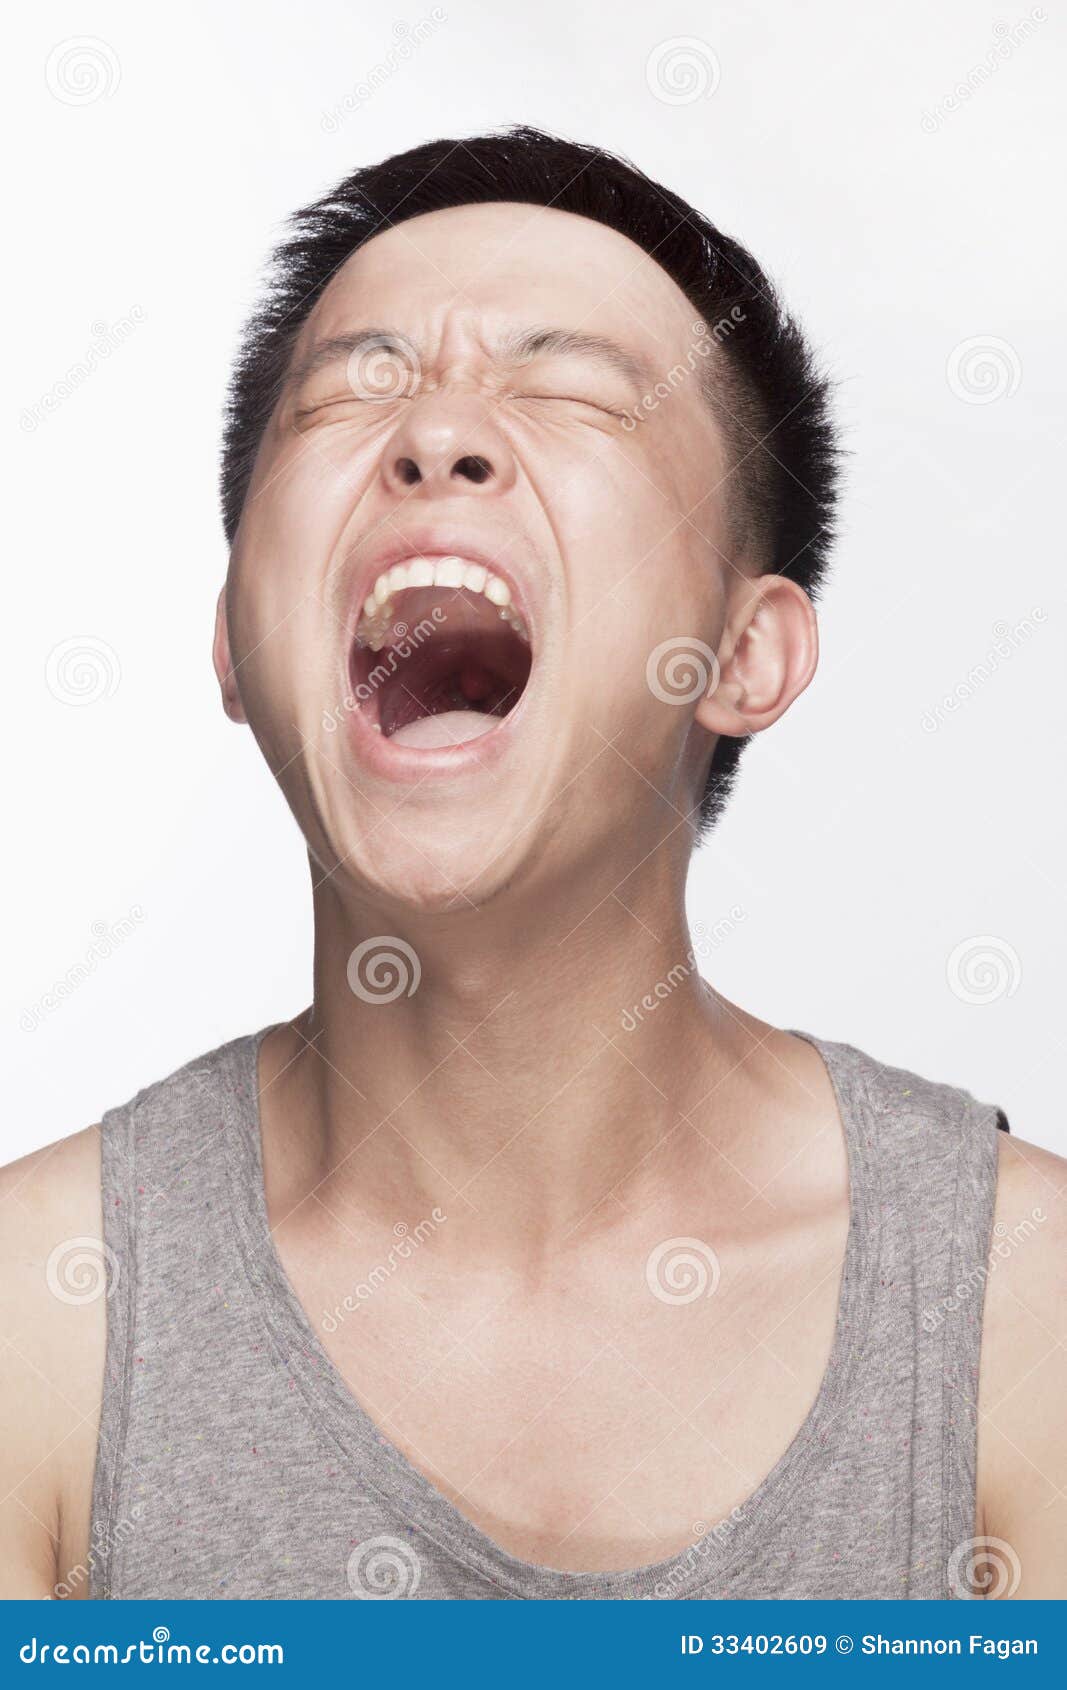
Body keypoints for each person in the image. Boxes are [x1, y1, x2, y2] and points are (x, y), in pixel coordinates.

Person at [2, 128, 1063, 1601]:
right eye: (349, 388)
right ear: (239, 642)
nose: (437, 434)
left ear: (745, 654)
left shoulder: (1023, 1309)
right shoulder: (38, 1321)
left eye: (568, 390)